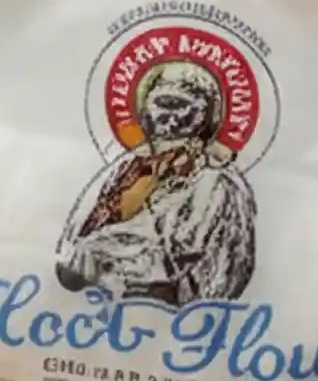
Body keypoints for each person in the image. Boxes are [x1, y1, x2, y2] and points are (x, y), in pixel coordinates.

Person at [55, 61, 256, 307]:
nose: (169, 117)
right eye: (162, 104)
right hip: (98, 303)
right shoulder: (124, 168)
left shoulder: (217, 181)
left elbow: (220, 265)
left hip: (169, 309)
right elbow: (72, 245)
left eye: (179, 105)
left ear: (205, 113)